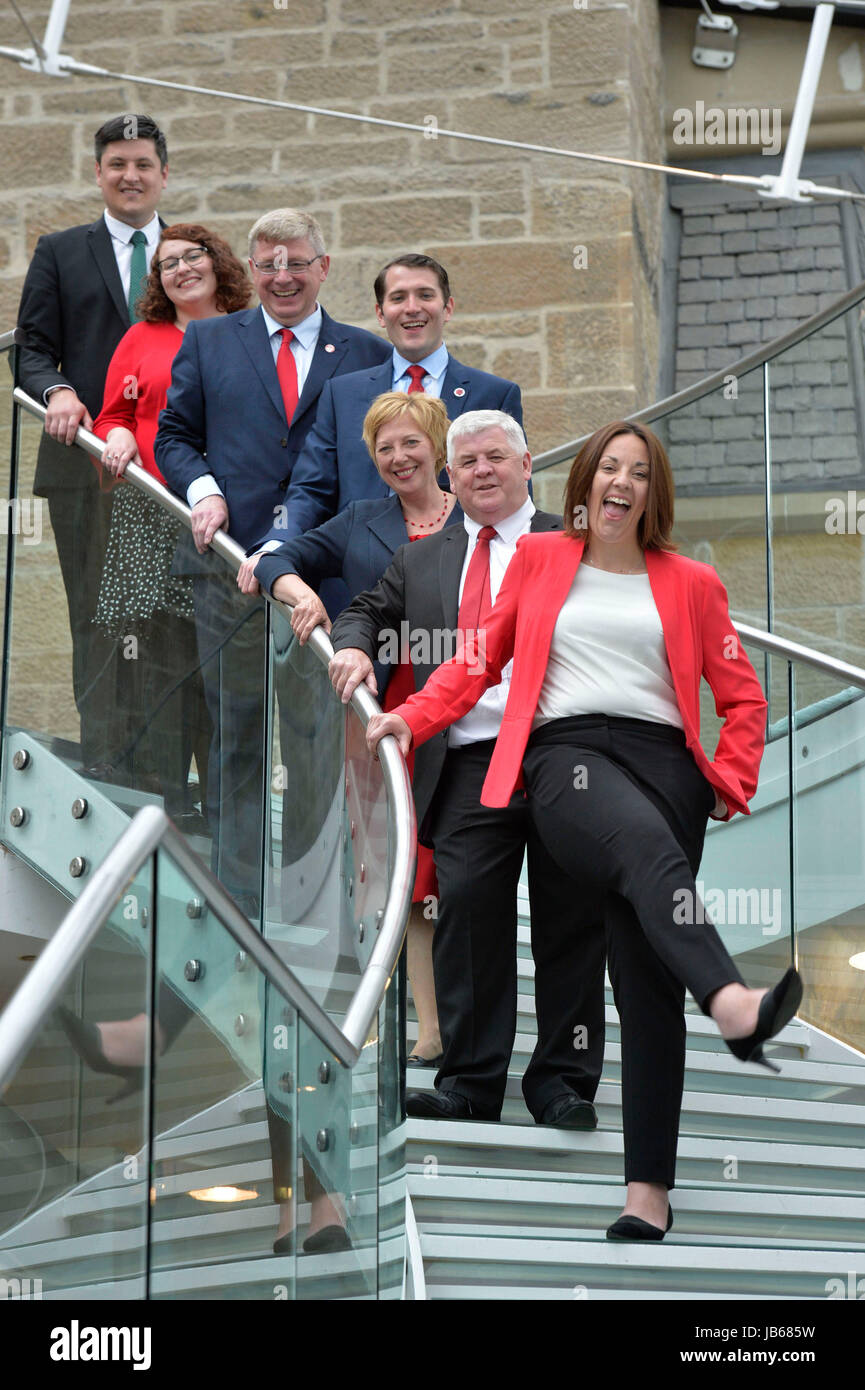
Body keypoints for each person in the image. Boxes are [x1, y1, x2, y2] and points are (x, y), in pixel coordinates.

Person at [366, 419, 803, 1242]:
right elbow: (475, 662)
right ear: (584, 484)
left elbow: (742, 698)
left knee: (646, 979)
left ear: (651, 494)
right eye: (609, 466)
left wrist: (729, 782)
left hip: (665, 768)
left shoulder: (692, 582)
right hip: (567, 757)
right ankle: (735, 1000)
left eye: (638, 473)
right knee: (639, 850)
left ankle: (647, 1195)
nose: (621, 482)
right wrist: (411, 719)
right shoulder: (538, 560)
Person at [328, 410, 607, 1131]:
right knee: (467, 922)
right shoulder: (423, 558)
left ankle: (561, 1084)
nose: (482, 471)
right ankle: (471, 1082)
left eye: (496, 457)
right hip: (468, 762)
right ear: (449, 479)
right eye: (468, 462)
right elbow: (366, 610)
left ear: (525, 464)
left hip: (561, 759)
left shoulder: (573, 544)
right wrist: (357, 649)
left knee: (568, 922)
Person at [154, 208, 391, 910]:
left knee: (316, 742)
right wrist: (204, 493)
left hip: (319, 577)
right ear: (250, 271)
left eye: (295, 261)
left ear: (323, 267)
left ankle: (309, 905)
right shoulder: (207, 339)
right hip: (224, 567)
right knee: (234, 736)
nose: (281, 276)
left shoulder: (366, 354)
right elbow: (175, 434)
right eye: (267, 264)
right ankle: (239, 904)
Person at [256, 391, 461, 1067]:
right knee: (408, 873)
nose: (398, 457)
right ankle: (425, 1026)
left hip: (472, 708)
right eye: (384, 447)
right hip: (386, 715)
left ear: (436, 445)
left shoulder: (479, 518)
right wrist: (302, 593)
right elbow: (272, 561)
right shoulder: (358, 522)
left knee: (466, 870)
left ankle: (462, 1017)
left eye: (410, 443)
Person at [16, 113, 169, 781]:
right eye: (117, 164)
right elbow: (31, 349)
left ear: (164, 174)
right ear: (99, 173)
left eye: (142, 164)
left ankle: (166, 767)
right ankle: (108, 758)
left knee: (168, 621)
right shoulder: (61, 249)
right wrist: (56, 393)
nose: (129, 175)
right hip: (84, 466)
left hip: (170, 472)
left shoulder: (187, 253)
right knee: (98, 615)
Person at [241, 253, 524, 612]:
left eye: (425, 295)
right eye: (397, 298)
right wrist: (276, 545)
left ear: (447, 307)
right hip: (359, 597)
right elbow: (312, 488)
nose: (412, 308)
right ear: (380, 313)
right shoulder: (341, 394)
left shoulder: (493, 394)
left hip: (461, 595)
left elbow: (513, 494)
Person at [92, 222, 251, 827]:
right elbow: (114, 414)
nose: (181, 269)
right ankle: (167, 802)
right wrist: (124, 434)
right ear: (157, 280)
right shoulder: (142, 337)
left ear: (217, 263)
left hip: (227, 517)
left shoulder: (251, 330)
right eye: (167, 264)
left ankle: (222, 806)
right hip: (153, 513)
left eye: (193, 256)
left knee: (223, 666)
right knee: (158, 662)